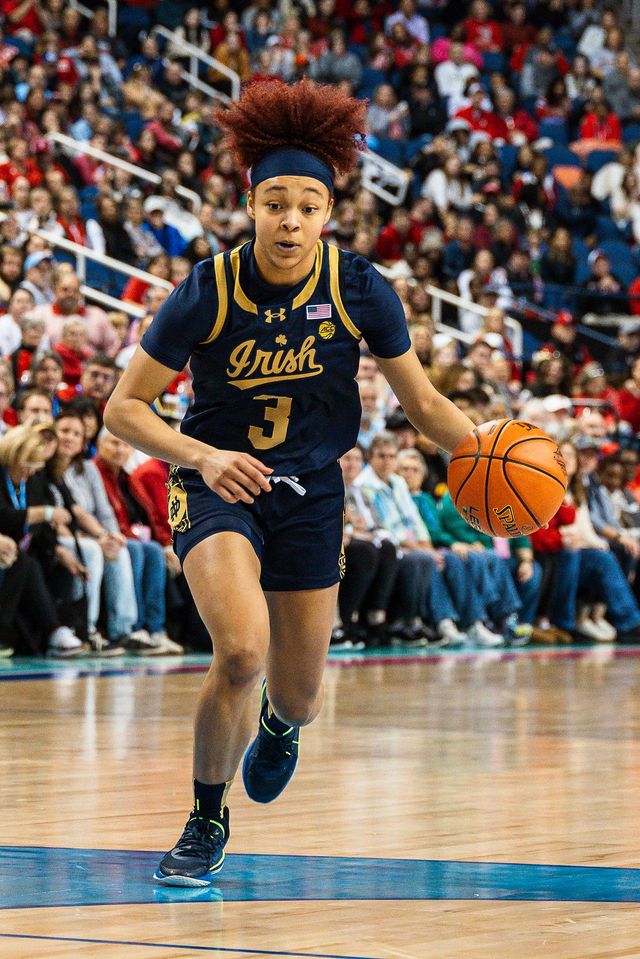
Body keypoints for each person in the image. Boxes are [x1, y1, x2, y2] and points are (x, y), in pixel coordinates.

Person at [104, 79, 476, 887]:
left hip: (311, 493)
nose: (290, 220)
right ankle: (206, 818)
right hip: (216, 484)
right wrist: (202, 456)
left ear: (328, 213)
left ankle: (281, 722)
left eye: (307, 206)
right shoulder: (208, 289)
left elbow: (423, 405)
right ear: (251, 205)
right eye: (275, 203)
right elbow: (123, 409)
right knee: (241, 649)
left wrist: (487, 448)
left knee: (300, 695)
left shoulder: (359, 288)